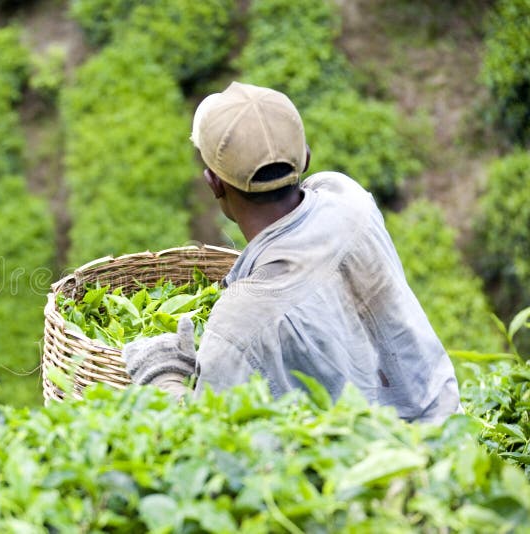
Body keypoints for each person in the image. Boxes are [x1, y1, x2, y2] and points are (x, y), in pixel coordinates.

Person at [123, 81, 461, 424]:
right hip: (446, 426)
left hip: (376, 470)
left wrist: (163, 376)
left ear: (214, 184)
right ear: (307, 157)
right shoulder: (349, 199)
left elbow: (203, 433)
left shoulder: (238, 323)